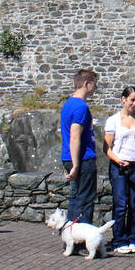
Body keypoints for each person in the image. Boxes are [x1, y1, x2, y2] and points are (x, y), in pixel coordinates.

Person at [104, 87, 135, 255]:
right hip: (120, 167)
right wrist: (118, 160)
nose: (134, 103)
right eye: (131, 100)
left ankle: (132, 238)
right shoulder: (113, 120)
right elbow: (107, 148)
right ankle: (119, 239)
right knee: (120, 203)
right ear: (123, 99)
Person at [60, 68, 100, 225]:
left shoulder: (68, 104)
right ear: (86, 84)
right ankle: (81, 240)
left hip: (69, 157)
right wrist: (76, 165)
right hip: (82, 159)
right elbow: (75, 135)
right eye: (94, 85)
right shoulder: (81, 106)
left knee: (76, 197)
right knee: (84, 201)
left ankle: (71, 239)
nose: (95, 88)